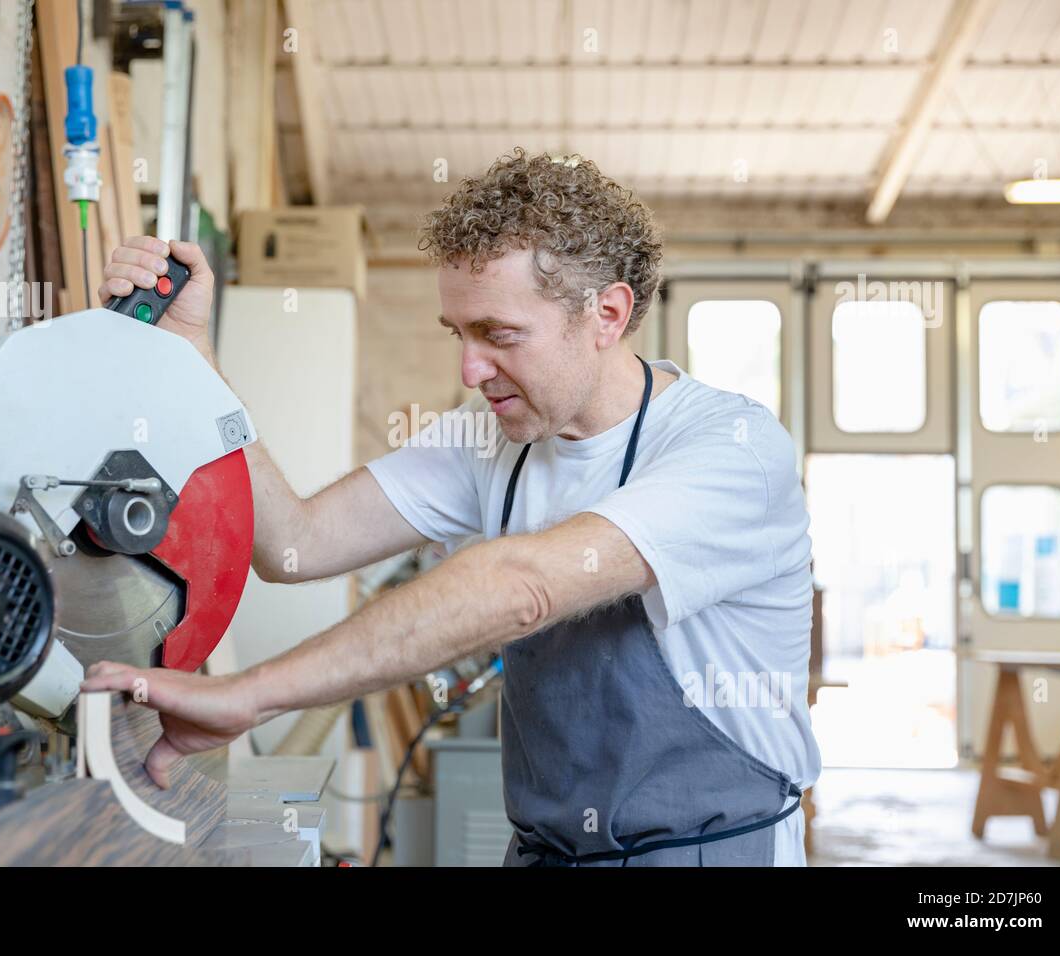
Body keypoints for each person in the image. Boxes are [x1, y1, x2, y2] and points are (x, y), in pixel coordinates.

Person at [86, 148, 821, 866]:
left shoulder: (732, 448)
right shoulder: (491, 436)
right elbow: (295, 546)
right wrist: (191, 353)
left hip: (707, 853)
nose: (470, 371)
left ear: (607, 313)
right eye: (459, 335)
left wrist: (248, 696)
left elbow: (520, 588)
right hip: (545, 851)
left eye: (499, 335)